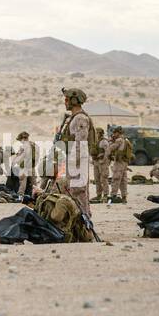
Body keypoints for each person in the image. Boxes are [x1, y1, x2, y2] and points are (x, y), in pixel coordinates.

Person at [56, 87, 94, 218]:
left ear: (74, 100)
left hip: (77, 163)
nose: (65, 102)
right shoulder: (72, 119)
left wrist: (72, 162)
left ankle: (85, 224)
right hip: (72, 162)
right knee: (72, 194)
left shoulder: (80, 119)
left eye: (66, 99)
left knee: (79, 194)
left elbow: (80, 144)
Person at [6, 131, 37, 199]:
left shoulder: (24, 146)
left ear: (23, 139)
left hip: (24, 167)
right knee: (34, 183)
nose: (20, 141)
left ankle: (20, 196)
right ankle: (36, 196)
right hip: (31, 166)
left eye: (20, 140)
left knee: (22, 182)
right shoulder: (33, 144)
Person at [108, 127, 133, 202]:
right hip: (124, 162)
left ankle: (113, 195)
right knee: (123, 180)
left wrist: (111, 141)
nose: (114, 134)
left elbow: (111, 148)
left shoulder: (119, 140)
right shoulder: (126, 140)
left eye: (115, 133)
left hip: (119, 162)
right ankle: (124, 196)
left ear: (118, 133)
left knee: (116, 179)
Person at [92, 128, 112, 202]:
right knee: (97, 179)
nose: (96, 134)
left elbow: (107, 152)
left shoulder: (104, 142)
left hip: (103, 162)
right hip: (96, 162)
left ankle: (106, 195)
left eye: (97, 133)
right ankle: (99, 195)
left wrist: (103, 160)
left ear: (101, 133)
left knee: (103, 179)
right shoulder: (96, 141)